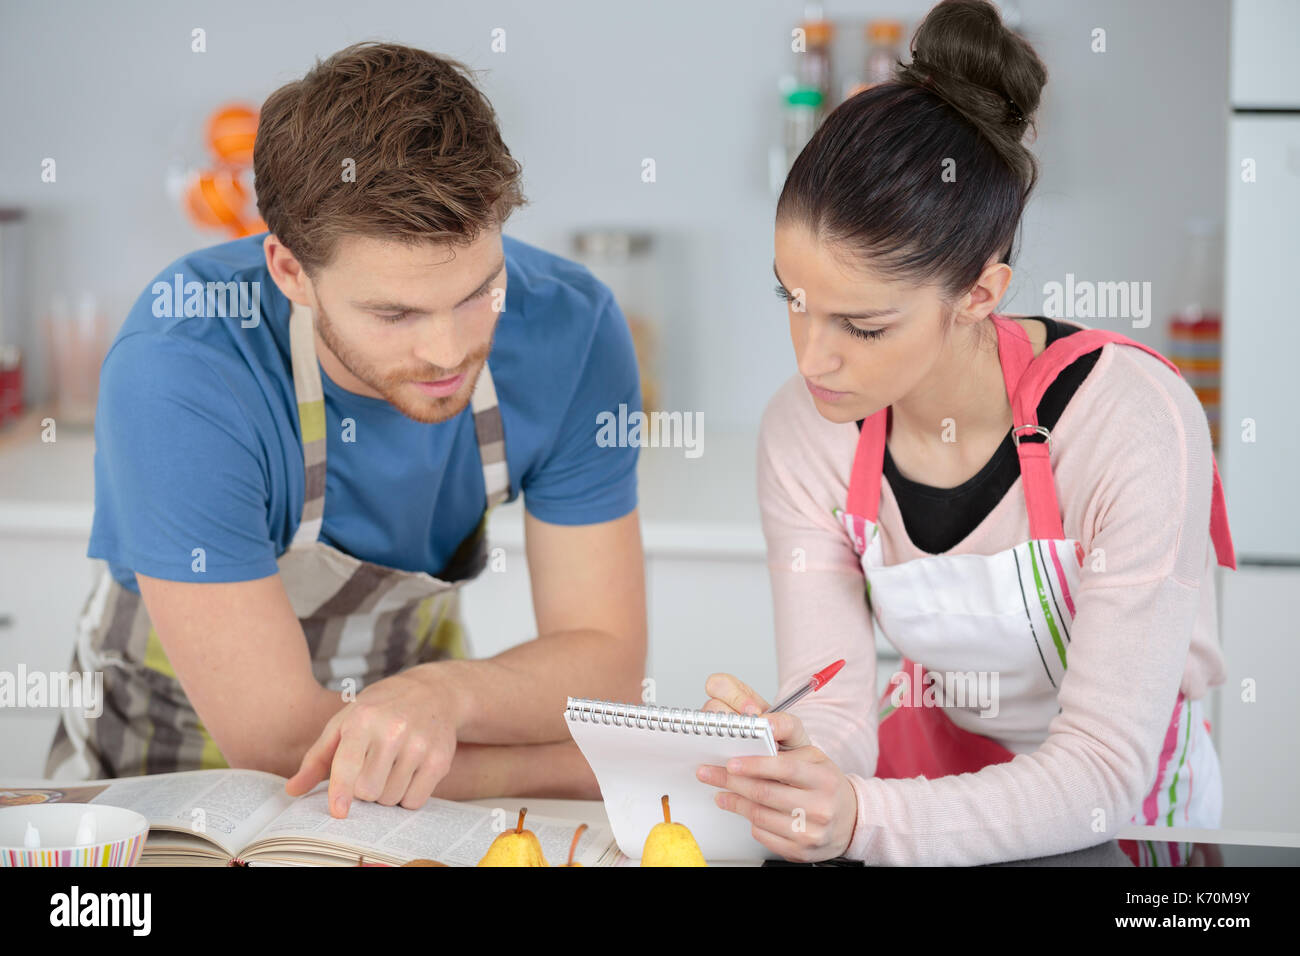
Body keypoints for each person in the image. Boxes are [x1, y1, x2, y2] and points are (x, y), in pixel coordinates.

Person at [45, 43, 647, 817]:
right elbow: (275, 742)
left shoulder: (576, 330)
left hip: (422, 768)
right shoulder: (183, 365)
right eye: (394, 314)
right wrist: (570, 770)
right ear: (289, 270)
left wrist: (443, 693)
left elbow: (605, 662)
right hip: (162, 778)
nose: (447, 350)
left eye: (478, 292)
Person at [700, 0, 1235, 866]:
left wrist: (861, 819)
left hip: (1130, 826)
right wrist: (798, 764)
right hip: (922, 790)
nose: (813, 360)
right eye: (792, 302)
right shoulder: (805, 434)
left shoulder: (1132, 423)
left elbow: (1100, 769)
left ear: (981, 295)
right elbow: (837, 709)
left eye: (863, 327)